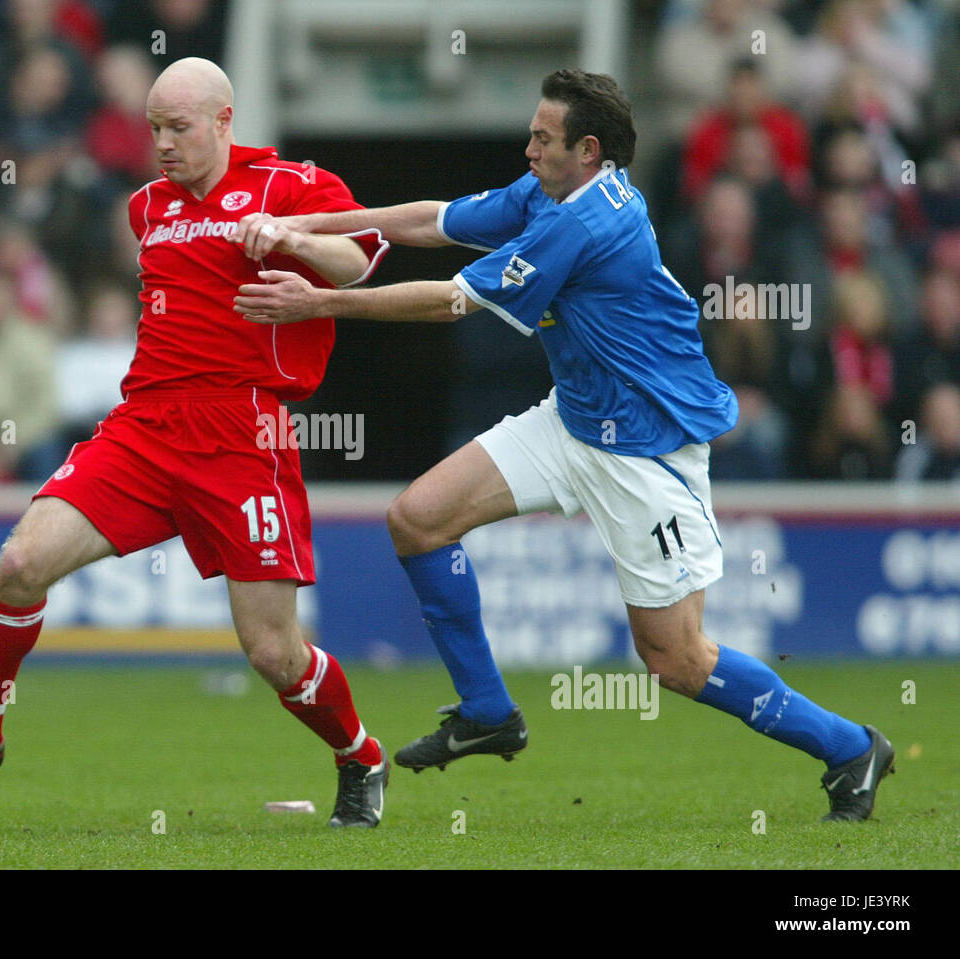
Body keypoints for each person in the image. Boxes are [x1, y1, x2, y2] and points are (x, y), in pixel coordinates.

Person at [234, 69, 894, 822]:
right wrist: (311, 228)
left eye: (542, 138)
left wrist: (320, 300)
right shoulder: (551, 189)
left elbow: (453, 299)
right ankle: (487, 710)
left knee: (676, 659)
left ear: (587, 150)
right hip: (575, 418)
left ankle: (849, 746)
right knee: (416, 518)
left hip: (647, 448)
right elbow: (437, 220)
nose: (527, 147)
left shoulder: (582, 225)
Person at [0, 57, 393, 827]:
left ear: (223, 119)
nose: (163, 144)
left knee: (274, 653)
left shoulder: (289, 184)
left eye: (178, 127)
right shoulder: (149, 206)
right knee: (19, 563)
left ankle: (360, 756)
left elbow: (363, 257)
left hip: (243, 432)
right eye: (152, 129)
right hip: (144, 427)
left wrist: (293, 242)